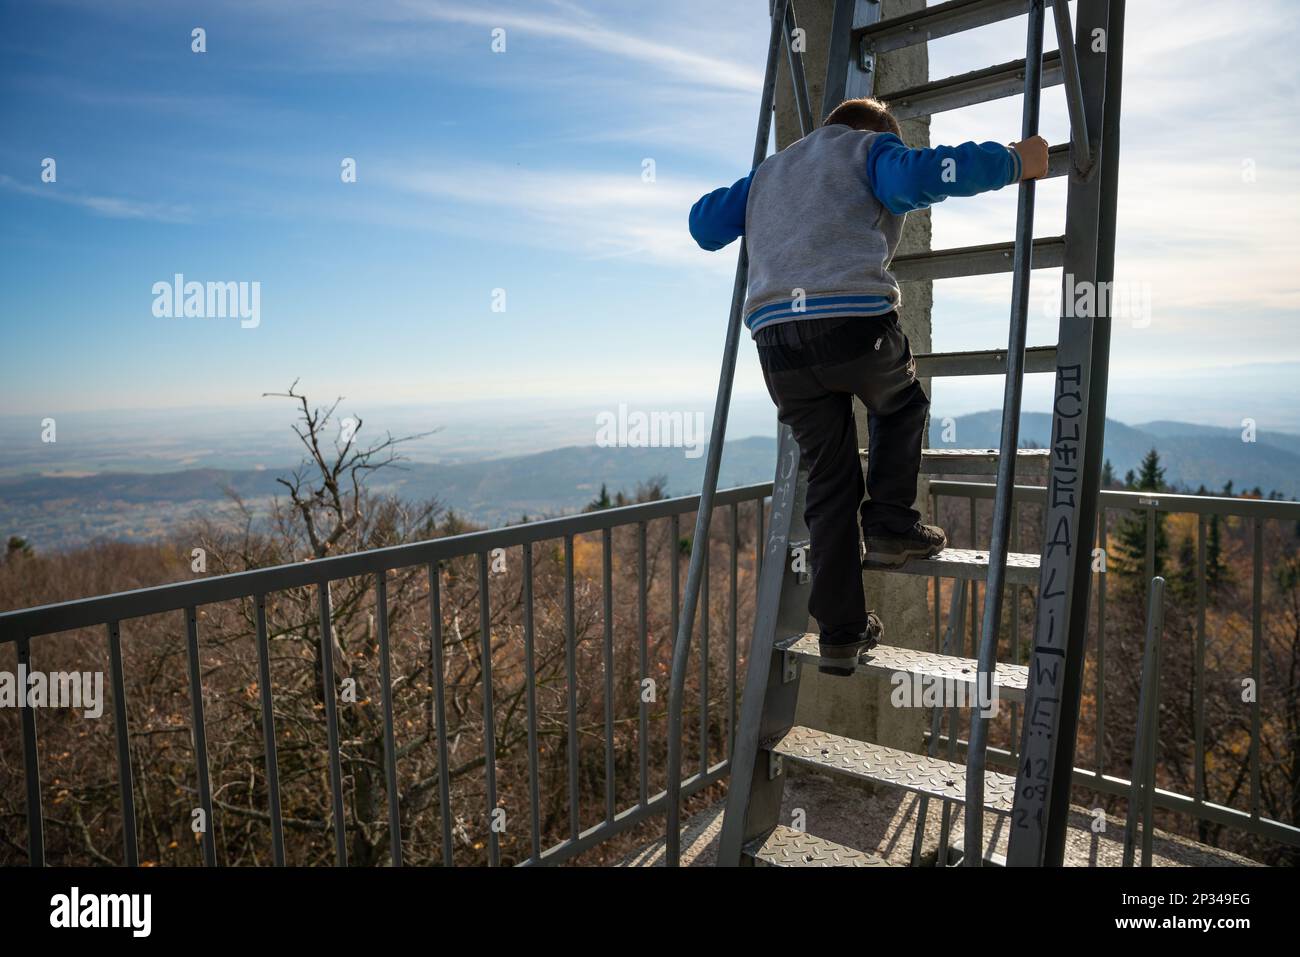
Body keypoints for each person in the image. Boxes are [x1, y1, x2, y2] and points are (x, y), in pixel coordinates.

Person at [688, 96, 1048, 674]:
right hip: (854, 324)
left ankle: (840, 632)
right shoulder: (869, 147)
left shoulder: (771, 172)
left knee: (828, 481)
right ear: (874, 131)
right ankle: (889, 525)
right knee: (901, 405)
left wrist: (756, 196)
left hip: (777, 345)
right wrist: (1014, 160)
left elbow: (704, 224)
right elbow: (928, 173)